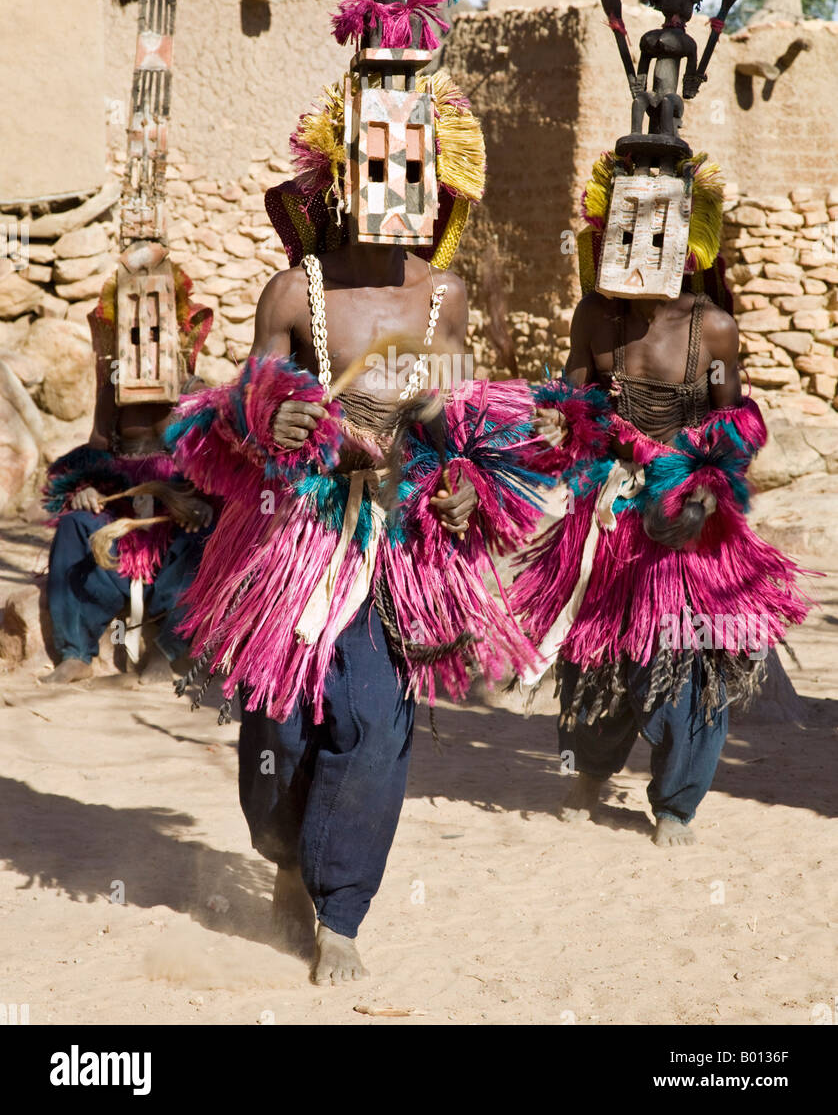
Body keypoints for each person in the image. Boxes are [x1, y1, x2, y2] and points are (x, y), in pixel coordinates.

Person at [165, 70, 548, 985]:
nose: (395, 185)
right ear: (340, 175)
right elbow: (240, 410)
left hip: (395, 542)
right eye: (376, 164)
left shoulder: (443, 297)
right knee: (281, 738)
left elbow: (455, 418)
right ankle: (286, 860)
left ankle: (340, 913)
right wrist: (273, 418)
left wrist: (465, 485)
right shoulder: (291, 294)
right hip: (292, 541)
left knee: (374, 723)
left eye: (414, 167)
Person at [514, 153, 811, 844]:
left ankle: (676, 803)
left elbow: (732, 425)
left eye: (657, 233)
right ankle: (590, 771)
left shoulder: (713, 327)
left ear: (685, 241)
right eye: (627, 231)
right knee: (597, 651)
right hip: (612, 513)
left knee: (689, 658)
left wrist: (701, 493)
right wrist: (562, 423)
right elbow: (572, 399)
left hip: (688, 516)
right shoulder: (595, 316)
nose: (640, 247)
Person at [42, 267, 214, 683]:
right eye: (135, 334)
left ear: (176, 333)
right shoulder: (113, 393)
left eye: (156, 332)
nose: (146, 343)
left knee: (208, 537)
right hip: (119, 526)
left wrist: (200, 503)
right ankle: (75, 653)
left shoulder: (196, 393)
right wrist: (86, 491)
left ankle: (168, 651)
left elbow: (217, 471)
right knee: (73, 527)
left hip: (176, 530)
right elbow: (93, 459)